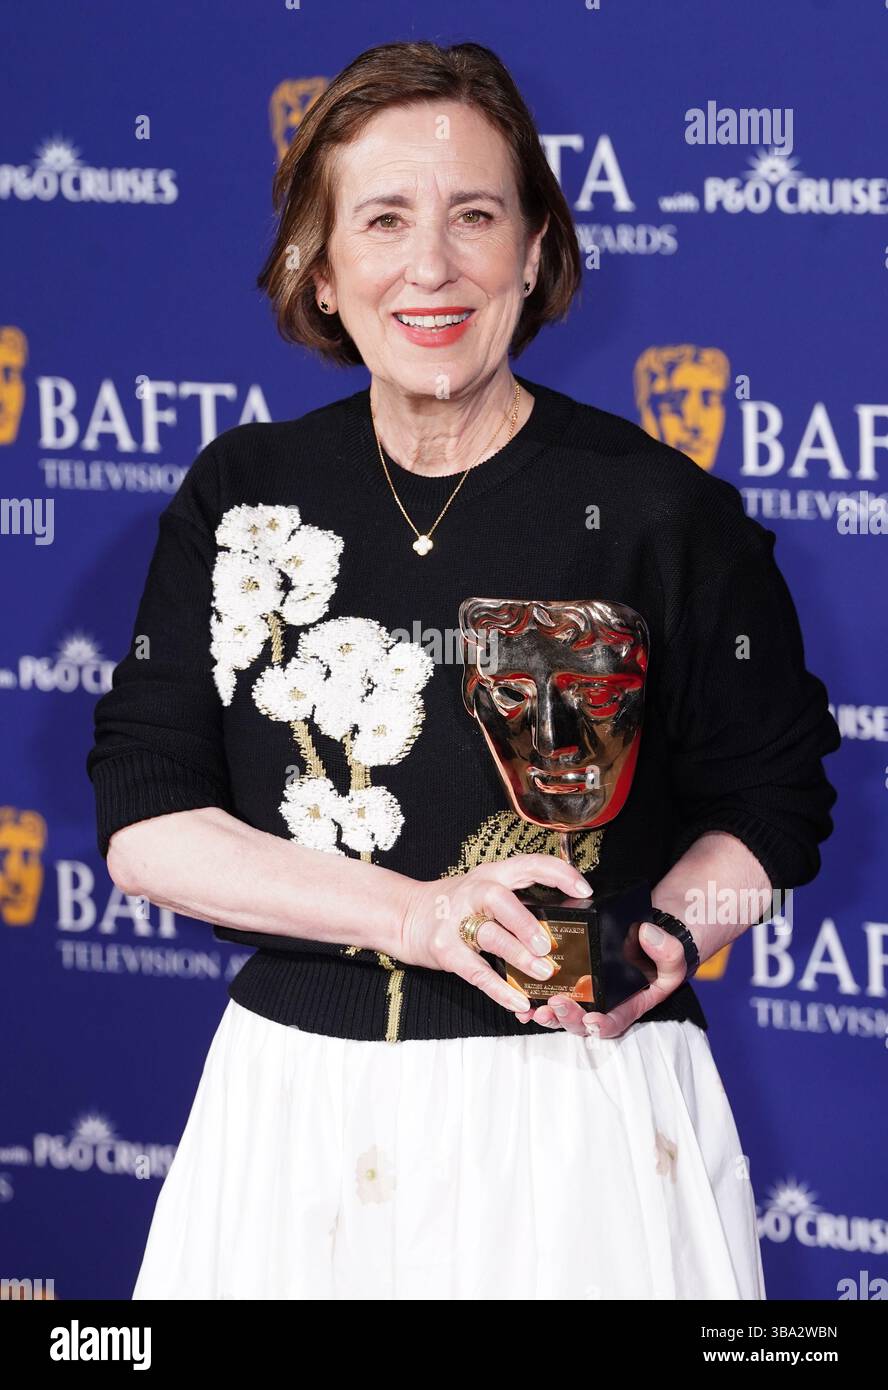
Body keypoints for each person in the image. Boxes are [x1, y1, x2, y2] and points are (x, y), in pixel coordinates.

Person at [86, 39, 840, 1301]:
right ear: (320, 270)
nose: (429, 267)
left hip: (579, 1121)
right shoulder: (240, 494)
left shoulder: (662, 510)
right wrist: (417, 916)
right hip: (295, 1118)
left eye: (474, 216)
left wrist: (671, 929)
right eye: (382, 220)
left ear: (535, 249)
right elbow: (147, 818)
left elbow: (773, 804)